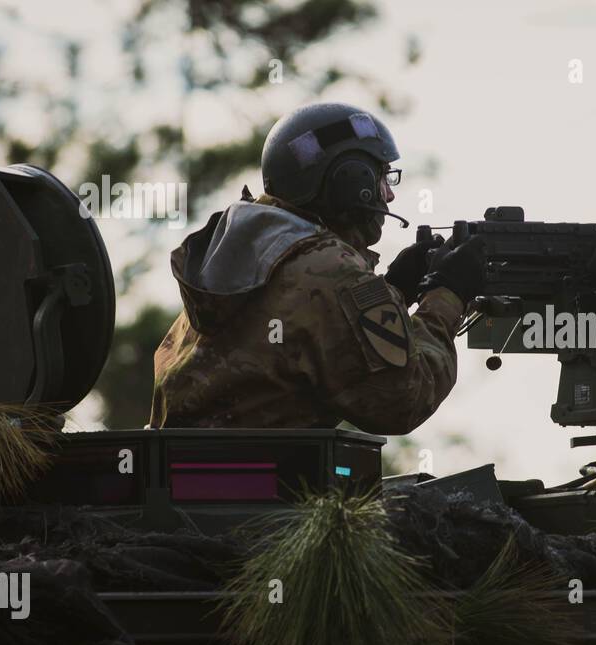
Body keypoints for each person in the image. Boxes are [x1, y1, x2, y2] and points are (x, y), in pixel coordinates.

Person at [149, 102, 484, 433]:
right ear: (352, 180)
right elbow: (403, 400)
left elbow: (305, 327)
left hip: (195, 475)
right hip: (264, 482)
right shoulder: (331, 271)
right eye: (383, 177)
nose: (390, 196)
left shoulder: (249, 251)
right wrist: (447, 295)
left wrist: (393, 291)